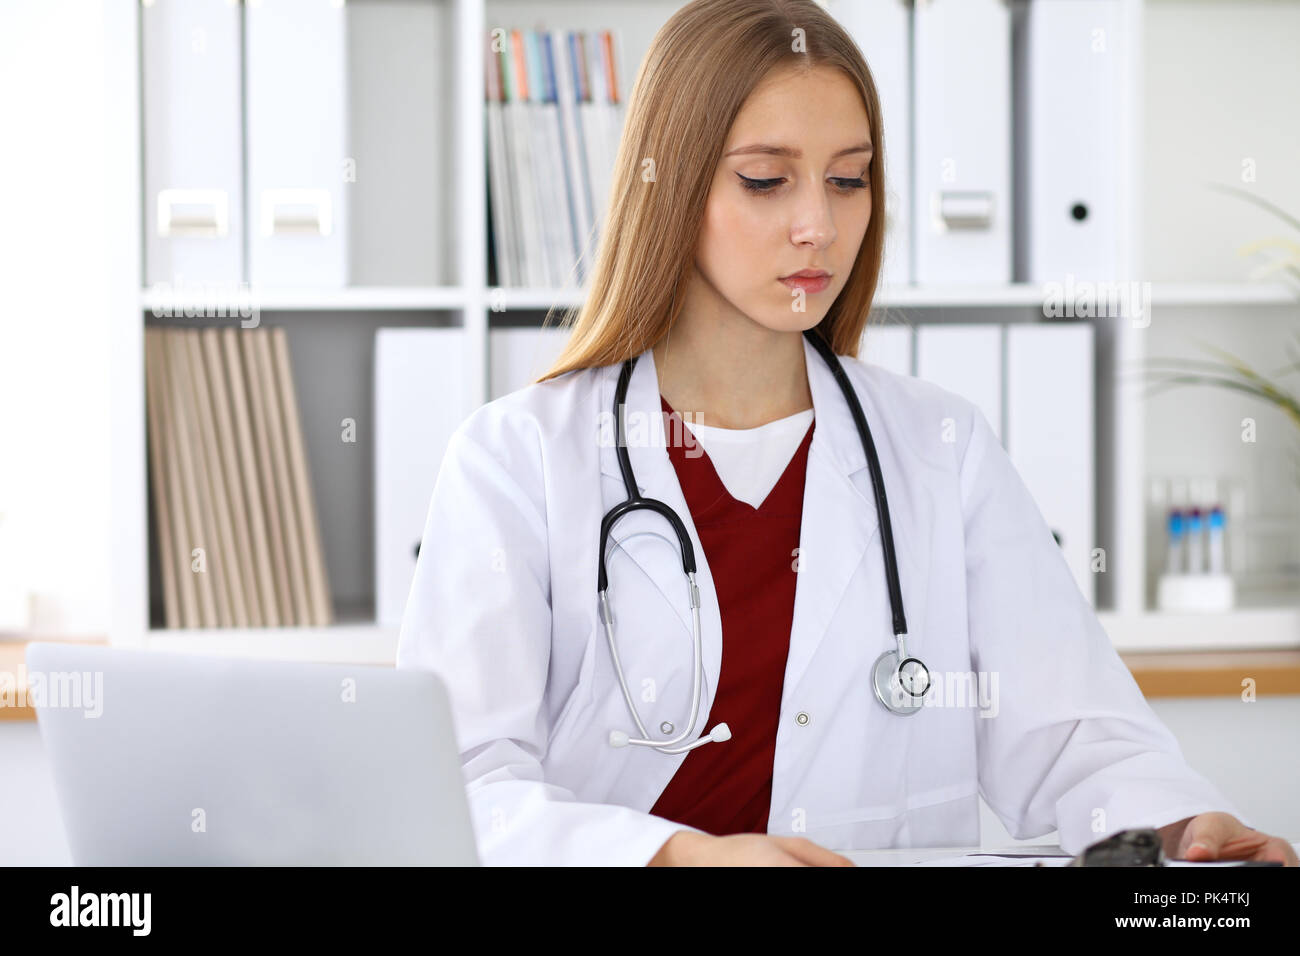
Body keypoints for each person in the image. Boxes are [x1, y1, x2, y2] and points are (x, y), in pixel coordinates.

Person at [397, 0, 1296, 867]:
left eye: (848, 178)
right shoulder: (518, 460)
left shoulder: (941, 446)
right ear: (666, 183)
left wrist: (1182, 826)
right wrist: (672, 856)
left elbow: (1073, 734)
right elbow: (459, 785)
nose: (818, 226)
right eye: (765, 179)